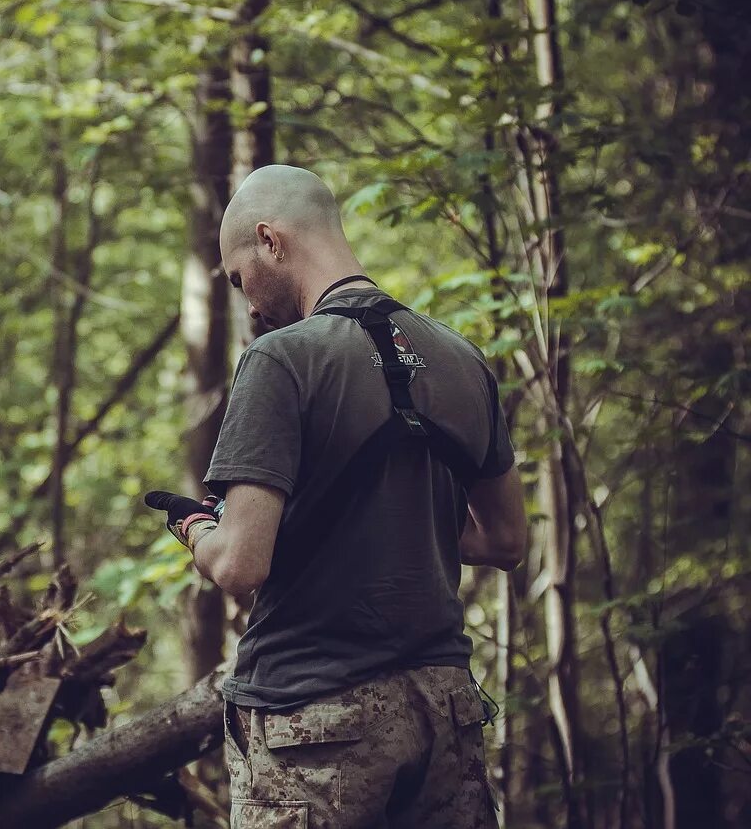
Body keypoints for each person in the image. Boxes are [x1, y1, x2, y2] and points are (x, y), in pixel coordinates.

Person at [145, 165, 526, 829]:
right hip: (444, 711)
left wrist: (200, 531)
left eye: (239, 278)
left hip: (314, 716)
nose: (250, 305)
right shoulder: (462, 358)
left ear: (270, 239)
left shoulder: (280, 359)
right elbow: (506, 540)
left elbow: (241, 565)